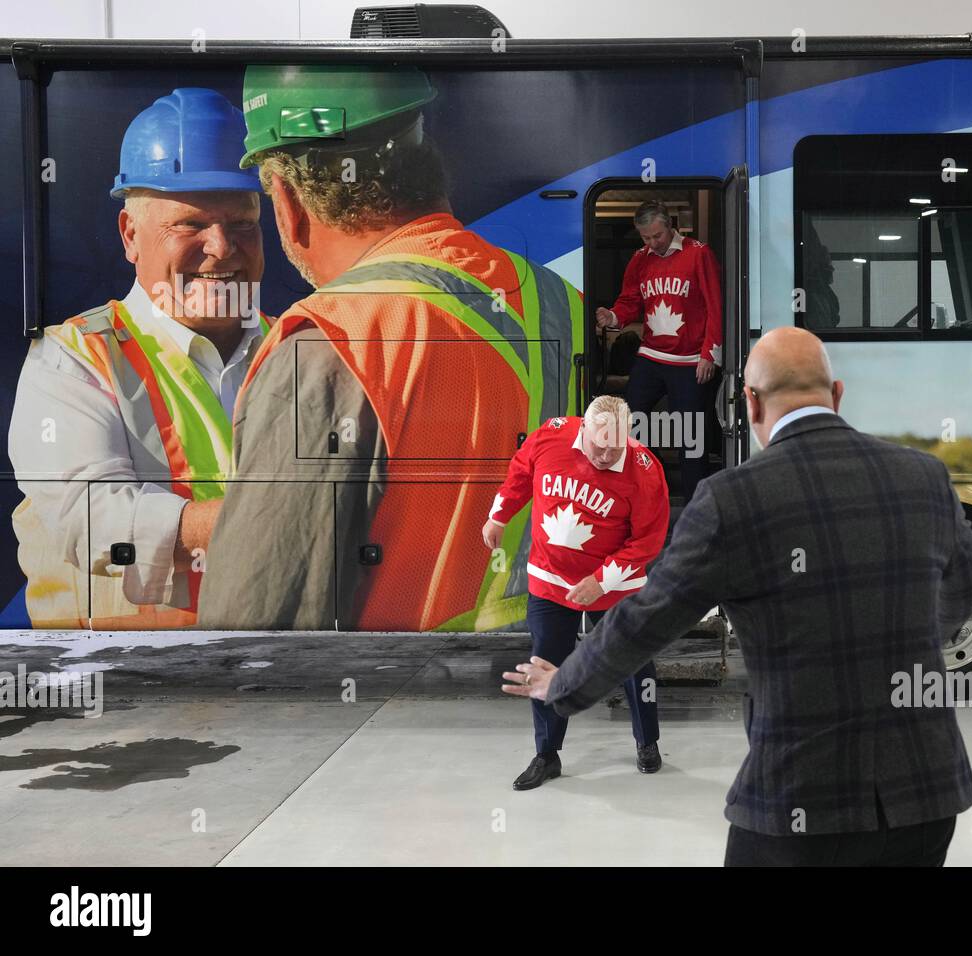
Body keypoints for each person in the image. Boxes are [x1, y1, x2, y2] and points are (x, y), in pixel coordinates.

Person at [503, 326, 972, 866]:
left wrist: (562, 682)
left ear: (751, 404)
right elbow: (966, 588)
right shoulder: (923, 475)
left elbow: (645, 619)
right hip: (924, 790)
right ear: (838, 394)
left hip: (797, 794)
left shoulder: (731, 499)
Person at [196, 64, 584, 631]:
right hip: (558, 689)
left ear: (285, 200)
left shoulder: (334, 341)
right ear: (426, 169)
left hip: (400, 709)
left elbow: (257, 633)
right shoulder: (561, 302)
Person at [9, 87, 269, 629]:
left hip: (274, 677)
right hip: (122, 690)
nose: (222, 247)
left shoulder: (291, 348)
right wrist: (275, 521)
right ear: (131, 235)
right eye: (191, 225)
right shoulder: (71, 359)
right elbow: (93, 522)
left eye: (242, 222)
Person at [484, 396, 669, 790]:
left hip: (615, 586)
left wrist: (601, 580)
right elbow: (520, 472)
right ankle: (547, 754)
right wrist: (499, 514)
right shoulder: (550, 437)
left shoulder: (644, 470)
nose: (605, 455)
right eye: (599, 444)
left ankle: (647, 742)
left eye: (615, 447)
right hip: (550, 579)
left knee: (634, 661)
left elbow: (648, 542)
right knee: (545, 663)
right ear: (582, 429)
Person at [594, 200, 722, 503]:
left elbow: (715, 305)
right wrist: (612, 317)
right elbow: (630, 301)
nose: (653, 243)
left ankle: (697, 508)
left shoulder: (698, 253)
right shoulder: (640, 259)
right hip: (650, 356)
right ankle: (639, 492)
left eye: (657, 236)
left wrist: (710, 353)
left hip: (690, 360)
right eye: (646, 238)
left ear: (670, 225)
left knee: (691, 439)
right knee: (629, 423)